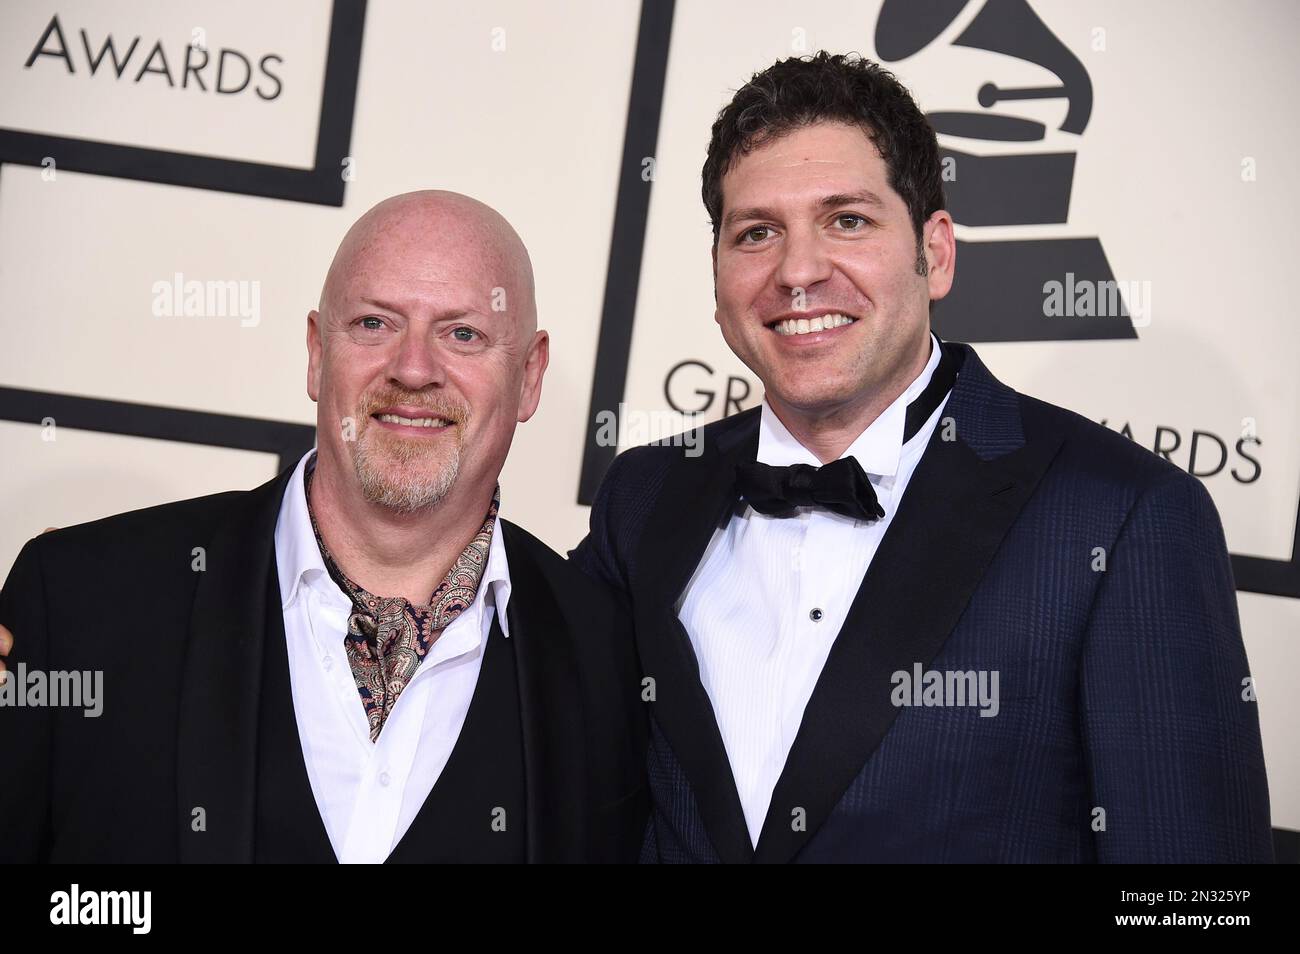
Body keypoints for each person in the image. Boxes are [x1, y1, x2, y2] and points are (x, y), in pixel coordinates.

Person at [570, 52, 1273, 862]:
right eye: (757, 233)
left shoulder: (1122, 517)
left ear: (934, 255)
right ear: (719, 281)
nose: (798, 271)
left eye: (848, 221)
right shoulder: (646, 494)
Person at [0, 191, 648, 863]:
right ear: (316, 352)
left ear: (529, 376)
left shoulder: (610, 661)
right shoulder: (80, 602)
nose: (414, 369)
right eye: (374, 323)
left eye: (463, 334)